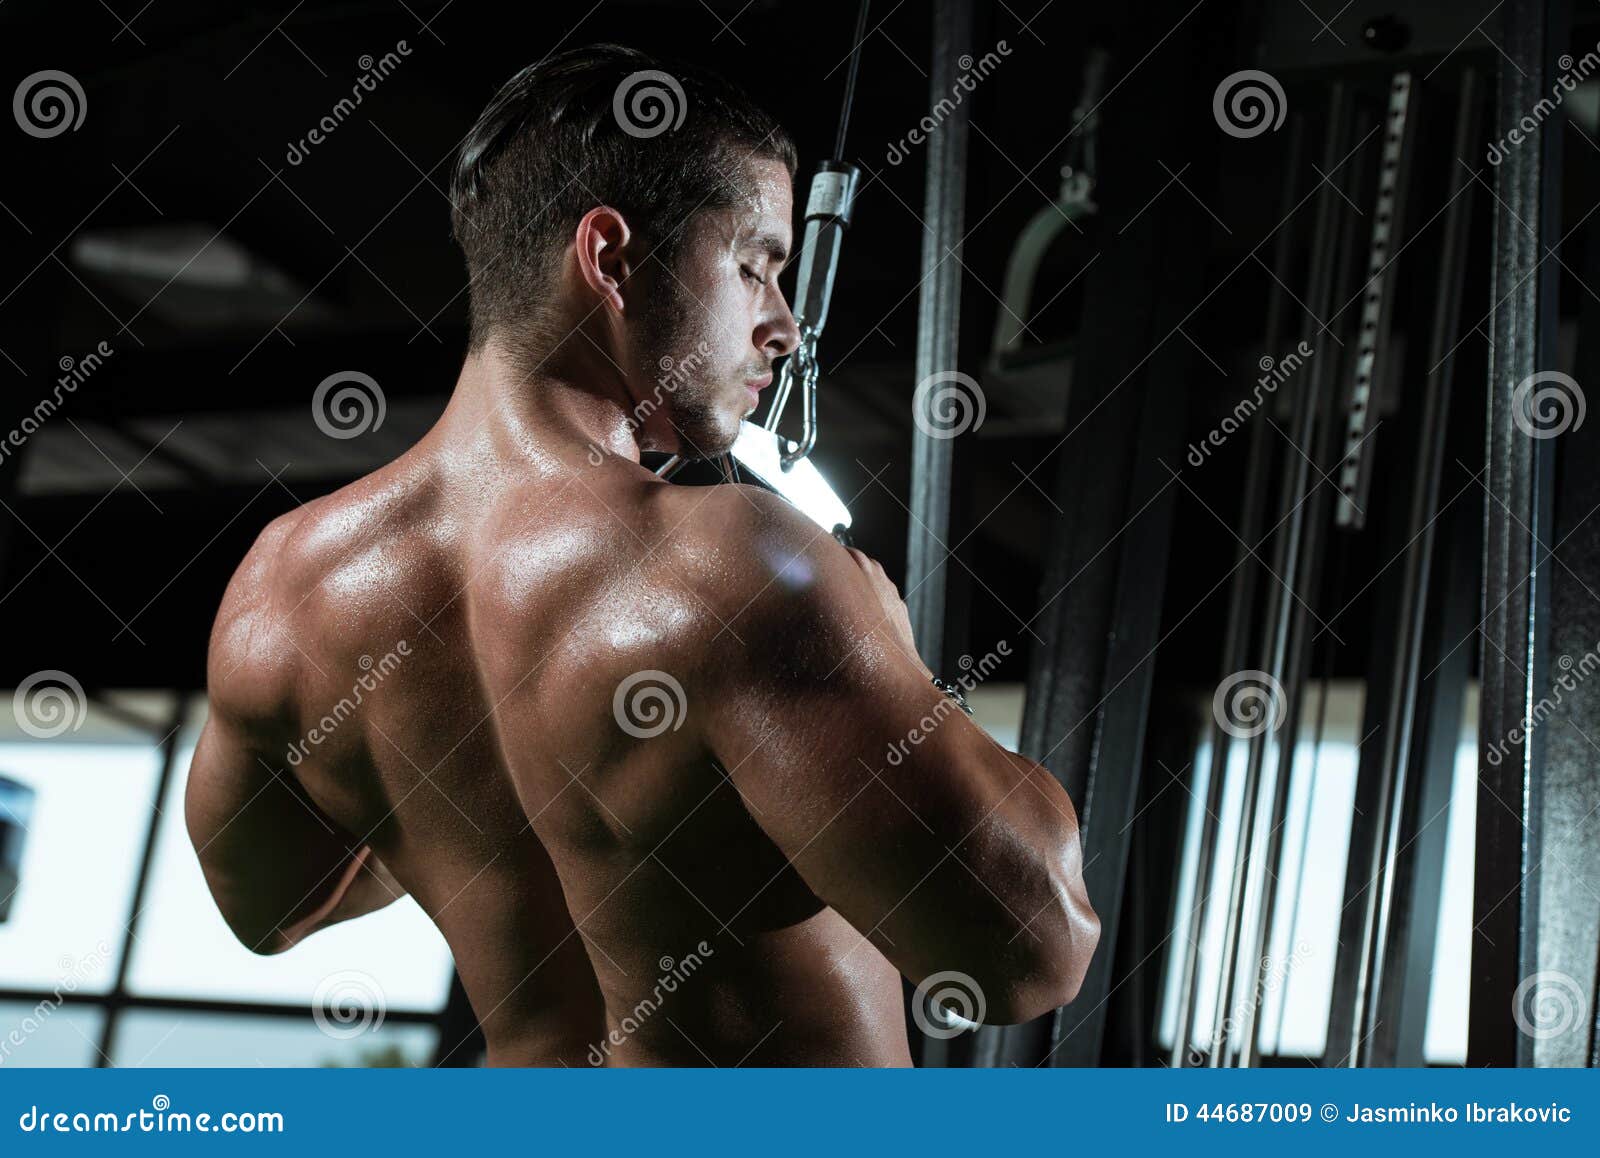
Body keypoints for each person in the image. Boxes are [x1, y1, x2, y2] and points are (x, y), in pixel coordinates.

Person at [186, 43, 1098, 1067]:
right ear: (610, 257)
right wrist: (905, 662)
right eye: (754, 264)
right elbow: (1031, 952)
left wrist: (452, 805)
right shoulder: (730, 566)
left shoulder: (284, 587)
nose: (784, 327)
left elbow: (265, 908)